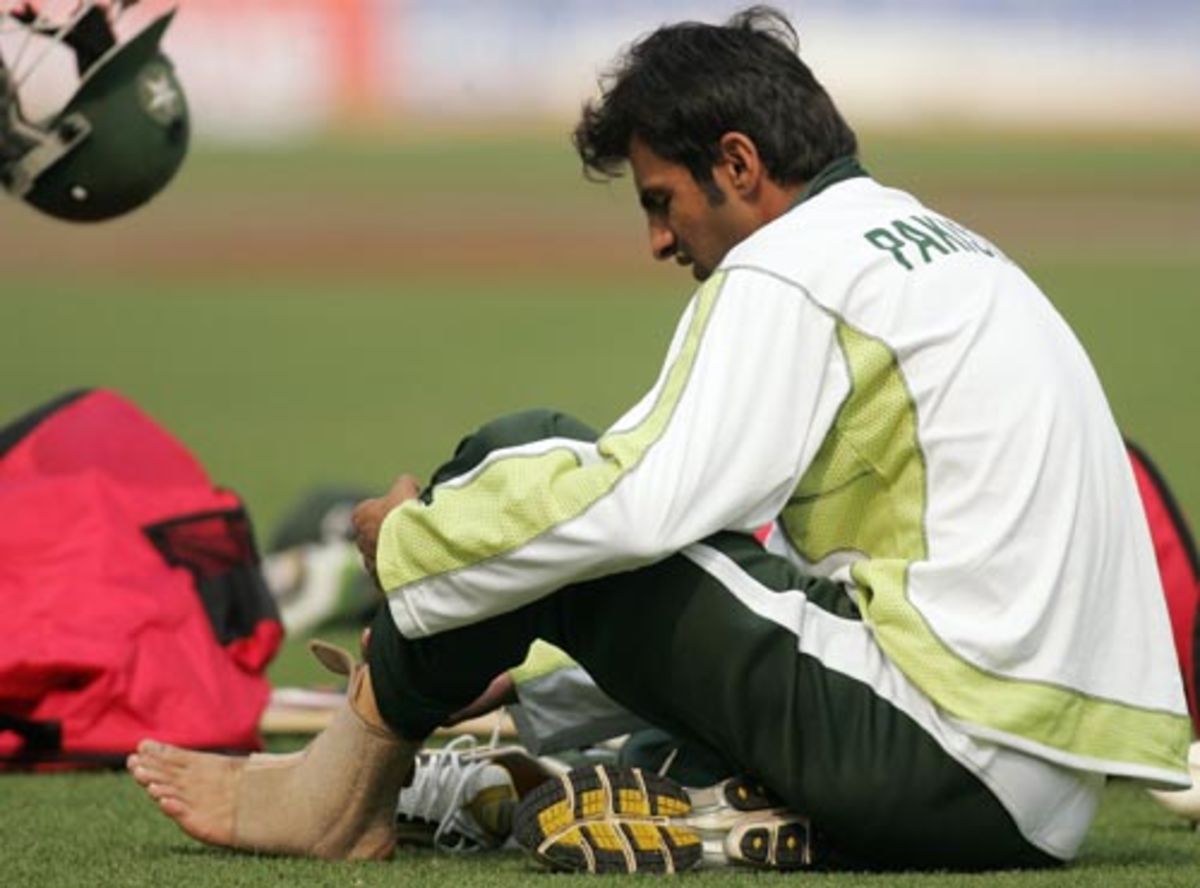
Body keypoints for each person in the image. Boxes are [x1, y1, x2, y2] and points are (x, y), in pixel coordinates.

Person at [127, 6, 1191, 873]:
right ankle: (666, 785)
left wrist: (420, 542)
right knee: (576, 533)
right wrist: (547, 680)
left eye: (661, 200)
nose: (656, 241)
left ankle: (340, 790)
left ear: (737, 163)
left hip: (931, 760)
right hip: (1041, 808)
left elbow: (633, 507)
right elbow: (757, 558)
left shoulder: (791, 263)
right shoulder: (949, 247)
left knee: (525, 453)